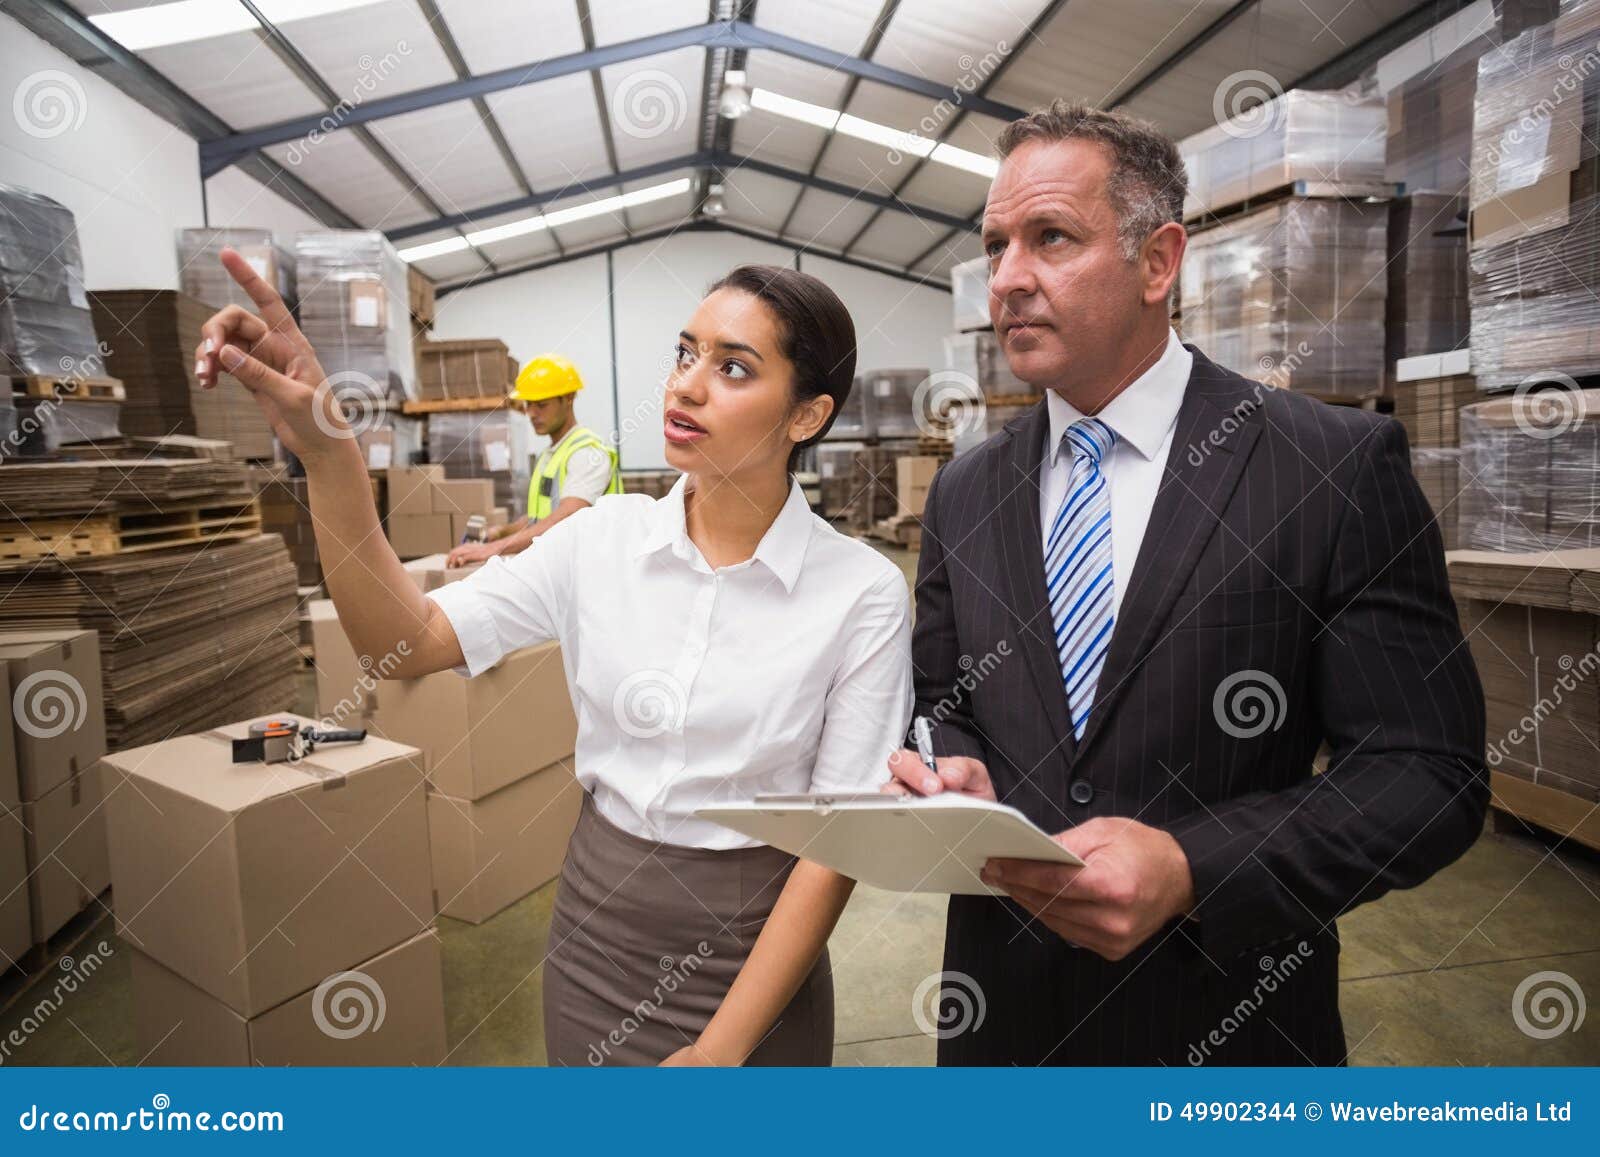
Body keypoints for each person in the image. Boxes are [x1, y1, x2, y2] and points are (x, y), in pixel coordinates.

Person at [884, 101, 1488, 1065]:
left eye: (1050, 239)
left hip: (1224, 1022)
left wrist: (1190, 867)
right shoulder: (967, 490)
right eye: (997, 245)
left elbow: (1428, 774)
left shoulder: (1326, 467)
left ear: (1159, 261)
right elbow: (938, 696)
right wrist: (946, 761)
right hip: (1001, 1021)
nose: (1007, 279)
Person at [195, 256, 912, 1066]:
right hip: (597, 933)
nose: (686, 385)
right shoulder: (598, 540)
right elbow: (403, 643)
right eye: (685, 353)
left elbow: (837, 841)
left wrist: (721, 1050)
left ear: (807, 415)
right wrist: (331, 460)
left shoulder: (862, 594)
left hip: (758, 956)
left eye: (733, 367)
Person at [447, 354, 620, 567]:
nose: (531, 413)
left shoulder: (586, 453)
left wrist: (491, 549)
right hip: (559, 568)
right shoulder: (551, 454)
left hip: (589, 569)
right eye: (528, 404)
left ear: (568, 398)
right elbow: (539, 518)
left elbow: (567, 516)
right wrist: (501, 532)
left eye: (541, 404)